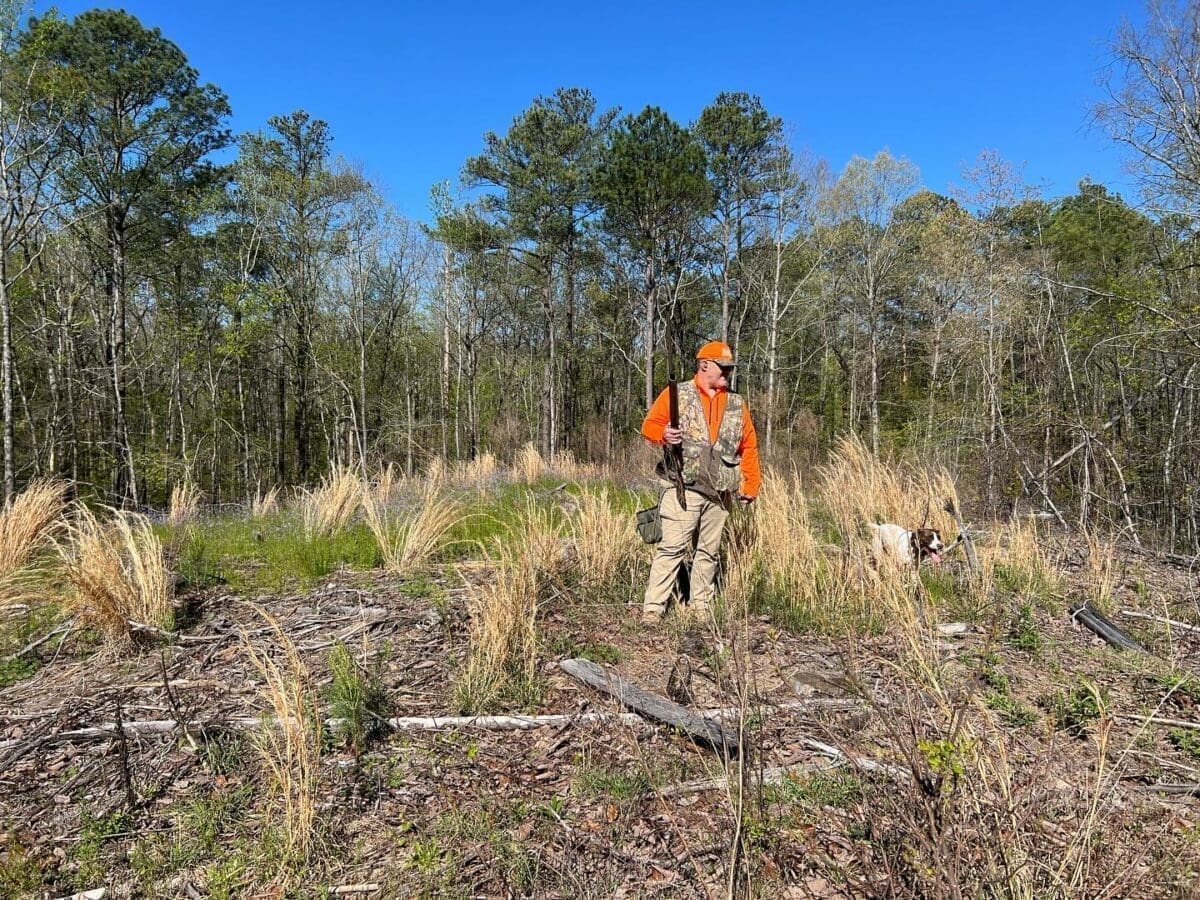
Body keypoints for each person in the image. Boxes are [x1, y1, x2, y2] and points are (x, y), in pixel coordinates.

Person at [639, 339, 760, 625]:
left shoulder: (735, 403)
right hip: (684, 487)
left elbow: (749, 447)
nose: (727, 373)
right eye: (723, 367)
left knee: (709, 551)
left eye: (729, 368)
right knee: (672, 548)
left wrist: (751, 485)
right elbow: (650, 426)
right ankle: (653, 610)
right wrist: (663, 435)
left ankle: (701, 608)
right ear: (704, 365)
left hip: (721, 492)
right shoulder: (676, 394)